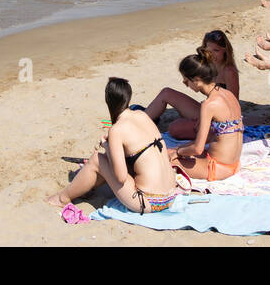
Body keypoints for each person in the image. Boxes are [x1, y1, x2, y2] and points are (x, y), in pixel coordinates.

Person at [45, 77, 178, 214]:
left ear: (108, 101)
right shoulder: (142, 116)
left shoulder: (116, 129)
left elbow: (120, 177)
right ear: (128, 98)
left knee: (97, 160)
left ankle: (62, 198)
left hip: (149, 202)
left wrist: (108, 148)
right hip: (171, 195)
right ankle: (84, 188)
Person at [141, 31, 240, 140]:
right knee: (166, 93)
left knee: (175, 128)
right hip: (207, 109)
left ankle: (142, 121)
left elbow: (233, 104)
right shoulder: (207, 64)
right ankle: (140, 121)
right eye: (208, 51)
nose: (211, 54)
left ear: (225, 50)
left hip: (218, 118)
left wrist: (206, 118)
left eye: (216, 50)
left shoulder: (229, 71)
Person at [162, 53, 243, 182]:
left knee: (163, 161)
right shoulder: (228, 94)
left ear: (197, 80)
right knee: (171, 151)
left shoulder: (209, 104)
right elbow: (216, 136)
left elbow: (198, 149)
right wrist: (177, 150)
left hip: (217, 168)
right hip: (234, 163)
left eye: (186, 81)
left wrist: (177, 153)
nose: (185, 84)